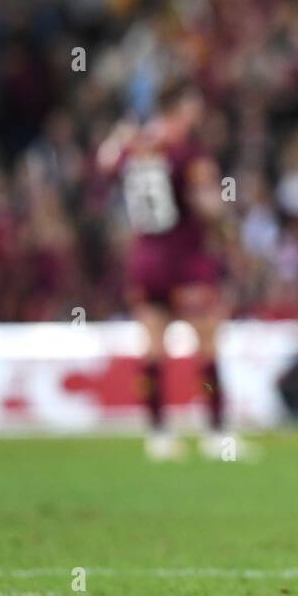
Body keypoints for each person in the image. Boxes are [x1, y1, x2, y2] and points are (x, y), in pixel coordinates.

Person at [97, 81, 232, 460]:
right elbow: (207, 204)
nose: (199, 112)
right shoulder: (186, 150)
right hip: (185, 257)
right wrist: (223, 218)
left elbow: (104, 167)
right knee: (206, 343)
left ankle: (158, 435)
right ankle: (215, 436)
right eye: (194, 104)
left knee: (153, 348)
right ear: (181, 107)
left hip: (144, 257)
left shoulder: (135, 146)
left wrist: (118, 140)